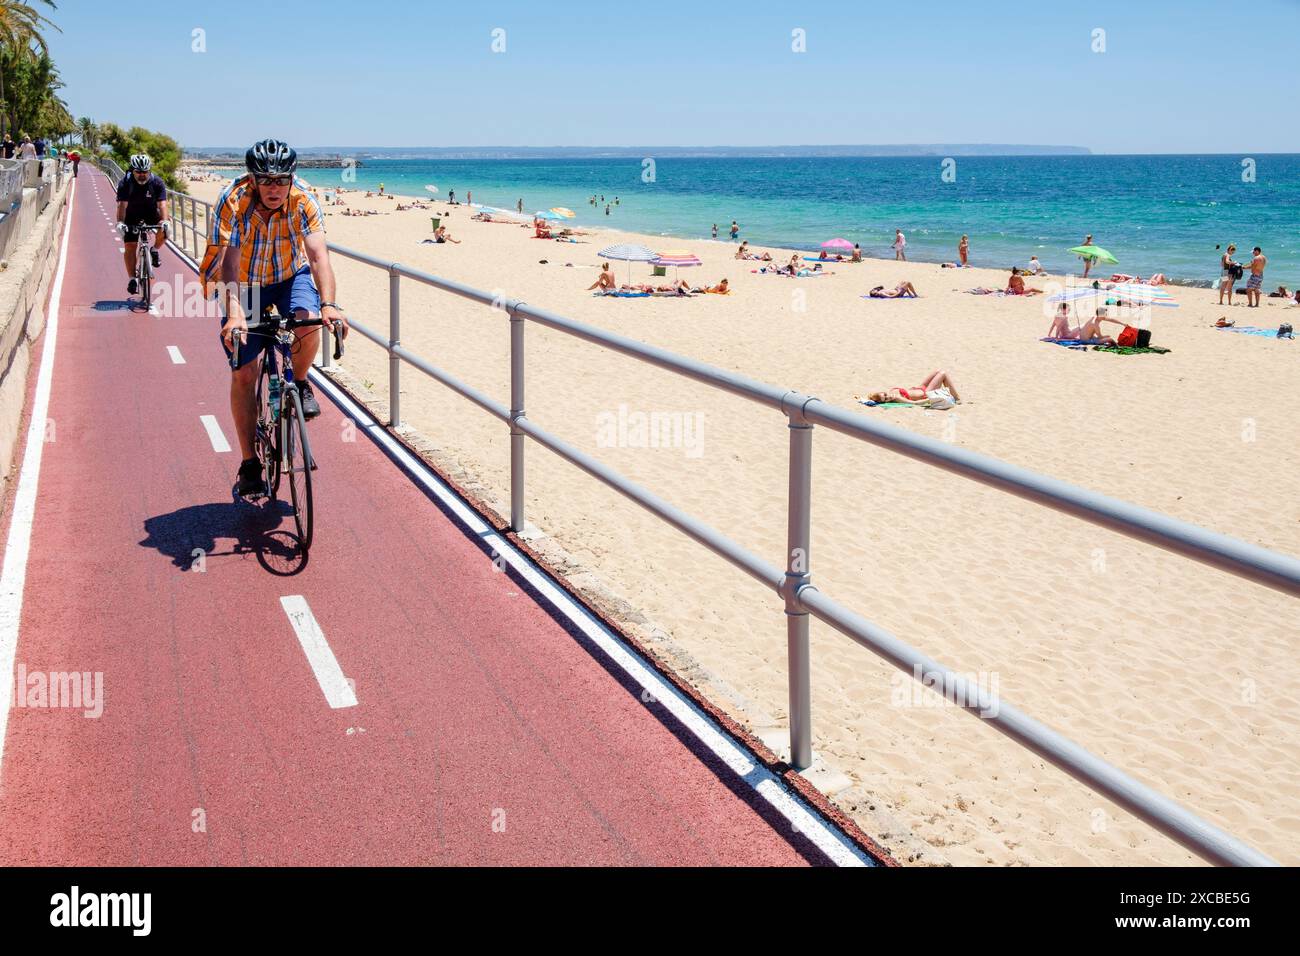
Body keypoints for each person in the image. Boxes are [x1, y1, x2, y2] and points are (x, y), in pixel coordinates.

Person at [206, 138, 350, 497]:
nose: (274, 188)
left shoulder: (304, 199)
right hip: (244, 282)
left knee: (309, 317)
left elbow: (318, 257)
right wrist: (235, 315)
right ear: (252, 179)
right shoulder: (234, 201)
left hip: (289, 274)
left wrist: (330, 304)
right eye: (266, 180)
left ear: (292, 178)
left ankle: (299, 383)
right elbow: (229, 263)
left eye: (281, 180)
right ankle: (249, 462)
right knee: (244, 371)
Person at [114, 154, 169, 294]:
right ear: (133, 171)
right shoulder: (125, 183)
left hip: (150, 213)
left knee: (166, 229)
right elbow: (122, 206)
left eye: (145, 172)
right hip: (131, 216)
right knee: (130, 246)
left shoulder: (157, 183)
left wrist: (165, 221)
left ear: (149, 171)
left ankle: (155, 250)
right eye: (138, 172)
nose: (142, 175)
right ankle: (132, 279)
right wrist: (120, 223)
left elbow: (162, 205)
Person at [861, 371, 961, 407]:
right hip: (925, 393)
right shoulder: (897, 398)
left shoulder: (891, 391)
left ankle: (955, 396)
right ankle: (956, 398)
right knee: (943, 374)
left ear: (883, 391)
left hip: (919, 387)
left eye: (885, 395)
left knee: (937, 371)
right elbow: (914, 404)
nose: (888, 398)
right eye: (886, 399)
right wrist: (929, 400)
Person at [1046, 304, 1125, 344]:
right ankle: (1087, 335)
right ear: (1064, 309)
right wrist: (1056, 338)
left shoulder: (1057, 315)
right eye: (1068, 309)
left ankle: (1087, 334)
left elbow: (1054, 324)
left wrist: (1049, 334)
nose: (1069, 310)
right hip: (1068, 335)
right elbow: (1058, 327)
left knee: (1083, 325)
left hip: (1064, 334)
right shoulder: (1064, 317)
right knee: (1082, 326)